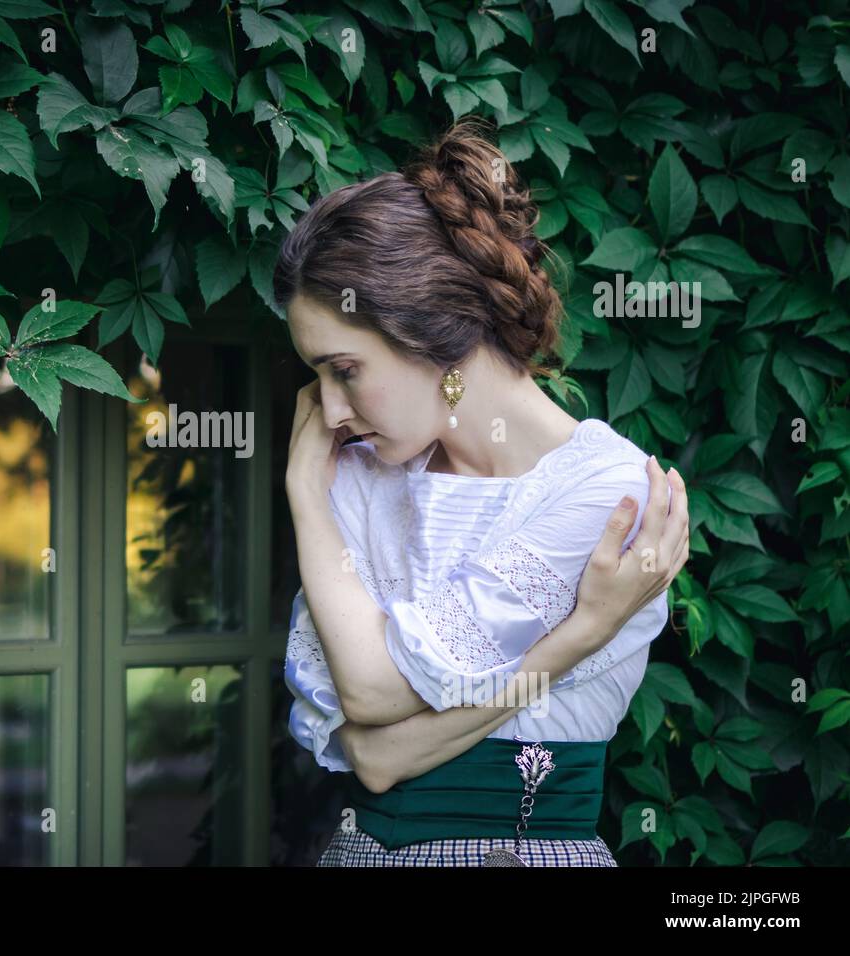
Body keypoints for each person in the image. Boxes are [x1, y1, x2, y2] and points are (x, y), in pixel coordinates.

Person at [273, 117, 690, 867]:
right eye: (319, 377)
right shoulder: (365, 471)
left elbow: (372, 697)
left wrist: (311, 500)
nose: (329, 412)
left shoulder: (606, 490)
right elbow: (364, 750)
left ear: (438, 332)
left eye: (345, 369)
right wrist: (574, 640)